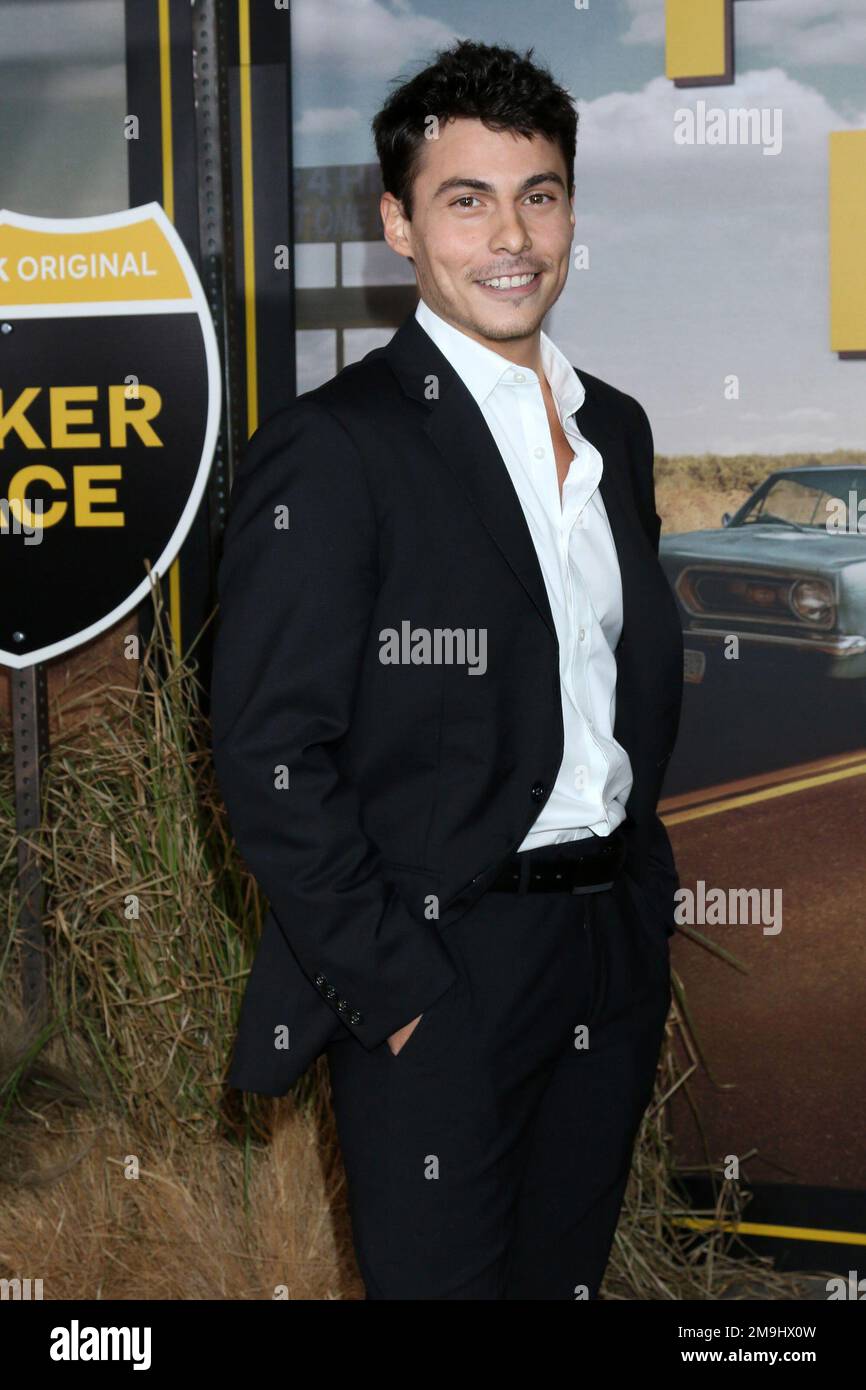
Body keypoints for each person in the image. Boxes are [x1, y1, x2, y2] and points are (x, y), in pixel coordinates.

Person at [210, 39, 684, 1300]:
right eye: (463, 199)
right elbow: (268, 753)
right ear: (399, 226)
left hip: (606, 950)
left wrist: (636, 915)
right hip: (440, 972)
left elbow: (610, 689)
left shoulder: (616, 429)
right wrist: (398, 990)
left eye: (537, 193)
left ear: (571, 210)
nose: (510, 235)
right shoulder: (335, 450)